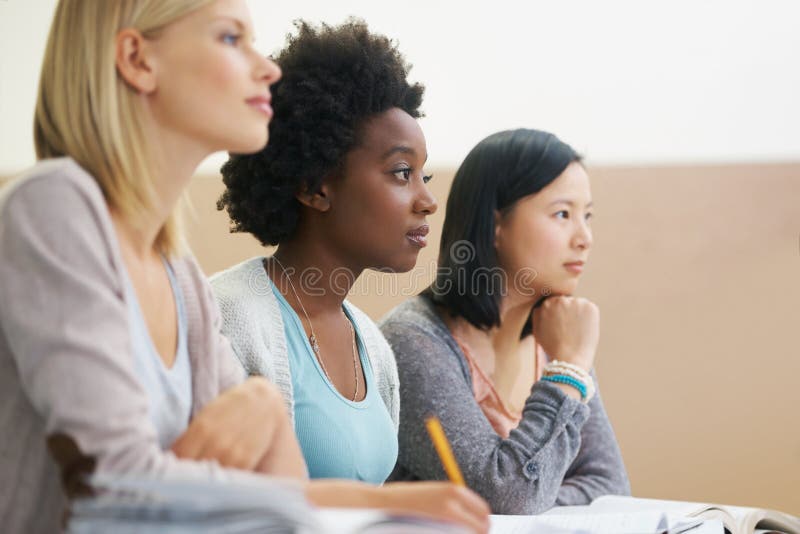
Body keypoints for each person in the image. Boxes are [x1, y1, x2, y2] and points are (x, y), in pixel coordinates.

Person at [0, 2, 487, 532]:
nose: (268, 69)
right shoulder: (53, 206)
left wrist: (400, 504)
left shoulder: (177, 273)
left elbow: (276, 486)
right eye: (232, 39)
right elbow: (115, 489)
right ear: (138, 60)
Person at [210, 14, 468, 498]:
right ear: (315, 188)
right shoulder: (224, 319)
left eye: (423, 175)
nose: (427, 200)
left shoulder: (373, 347)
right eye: (399, 173)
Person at [380, 129, 631, 514]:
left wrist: (538, 498)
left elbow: (610, 487)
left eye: (588, 216)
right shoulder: (412, 342)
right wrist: (568, 372)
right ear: (496, 224)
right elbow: (507, 499)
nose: (584, 238)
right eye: (562, 214)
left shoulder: (557, 336)